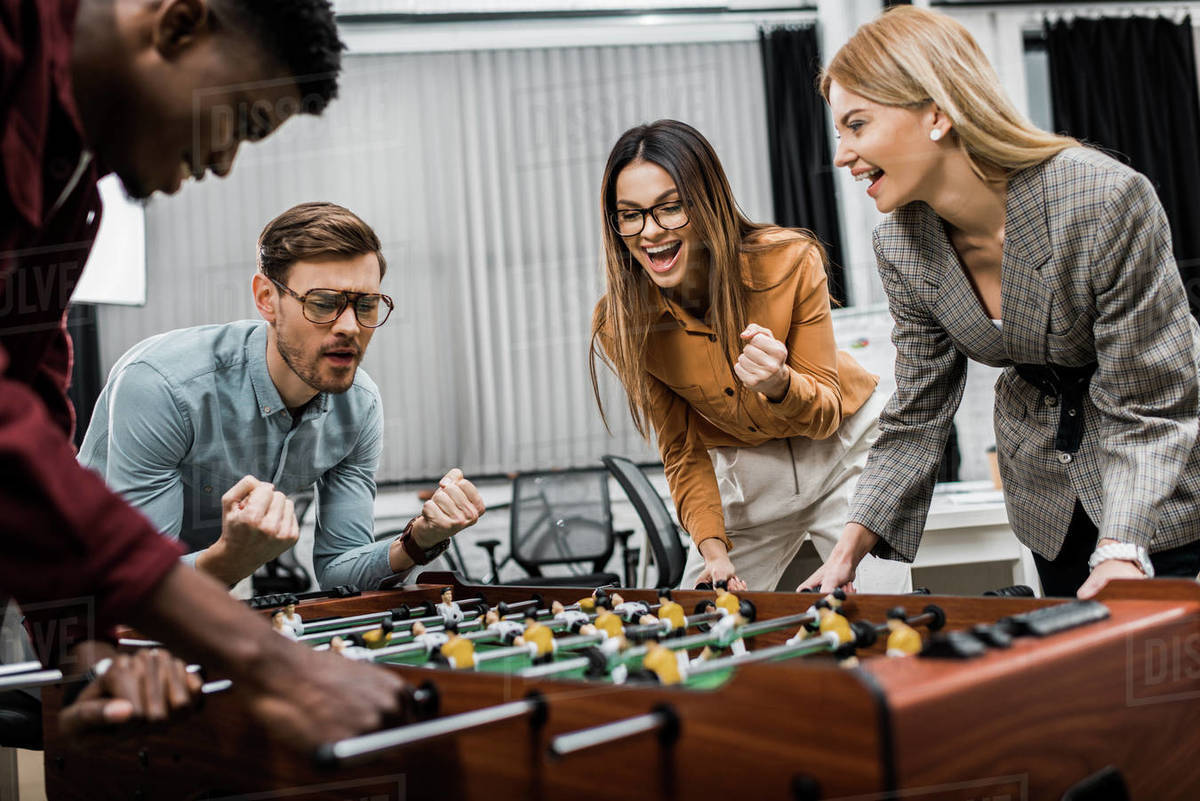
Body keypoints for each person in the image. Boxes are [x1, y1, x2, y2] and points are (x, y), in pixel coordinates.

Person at [0, 0, 411, 746]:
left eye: (366, 305)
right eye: (241, 121)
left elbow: (29, 394)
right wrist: (267, 660)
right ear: (179, 23)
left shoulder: (70, 186)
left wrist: (84, 648)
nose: (222, 163)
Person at [802, 6, 1200, 599]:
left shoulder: (1101, 198)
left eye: (856, 125)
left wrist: (1121, 547)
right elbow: (917, 412)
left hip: (1157, 483)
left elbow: (1150, 398)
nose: (842, 155)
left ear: (936, 114)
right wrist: (849, 549)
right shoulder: (903, 243)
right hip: (1047, 498)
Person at [79, 202, 484, 588]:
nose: (350, 326)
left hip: (197, 583)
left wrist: (419, 540)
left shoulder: (358, 407)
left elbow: (339, 568)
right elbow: (138, 576)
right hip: (78, 583)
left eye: (367, 305)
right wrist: (230, 559)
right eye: (323, 303)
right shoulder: (163, 386)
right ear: (266, 299)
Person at [590, 119, 909, 593]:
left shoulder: (789, 261)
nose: (650, 232)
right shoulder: (622, 321)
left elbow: (822, 415)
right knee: (703, 631)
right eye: (630, 214)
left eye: (670, 208)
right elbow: (682, 450)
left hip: (843, 453)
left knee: (881, 618)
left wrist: (781, 385)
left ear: (707, 202)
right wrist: (713, 553)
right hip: (750, 481)